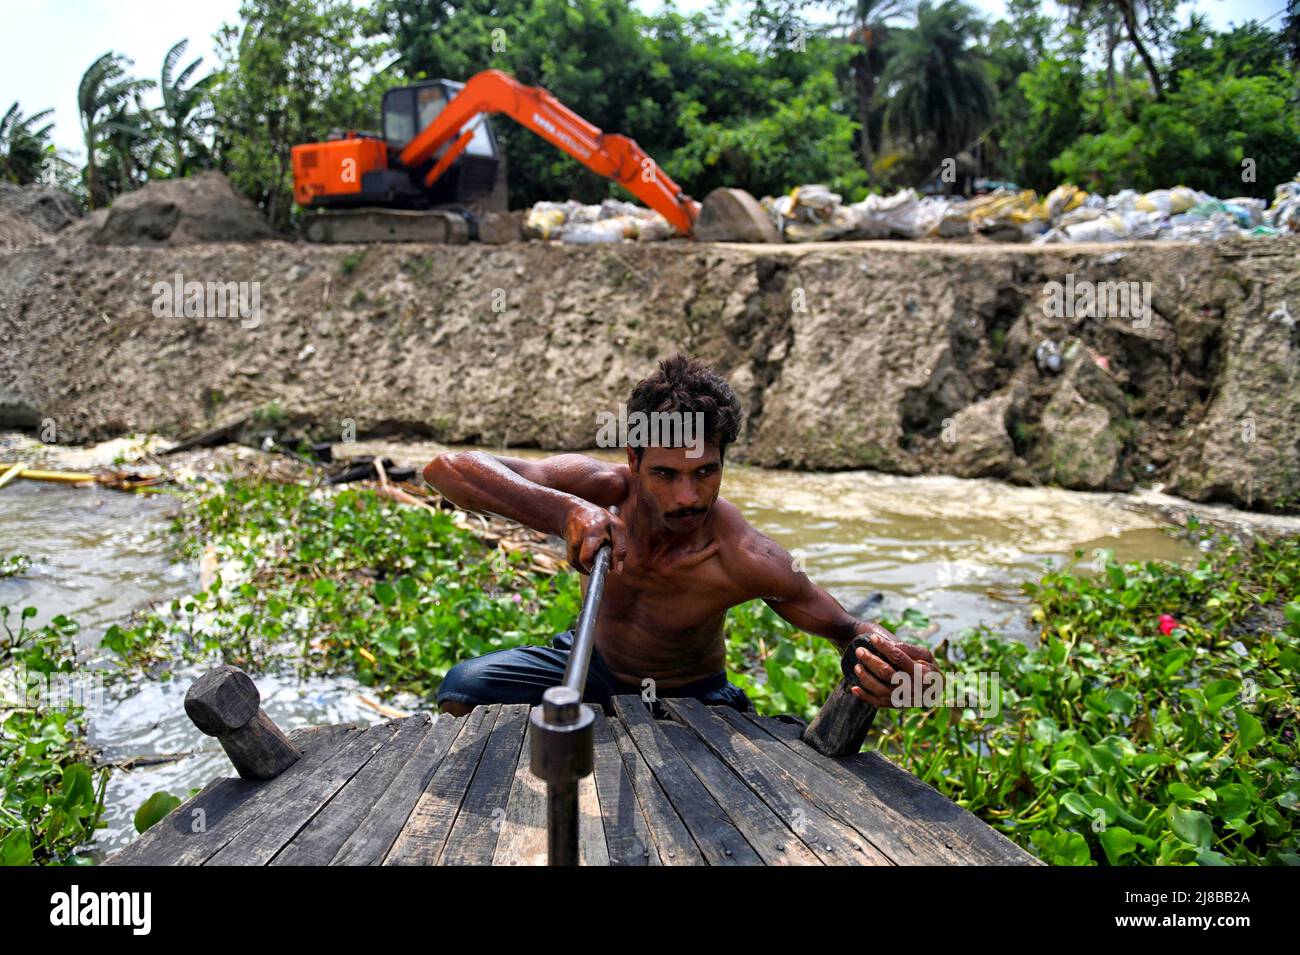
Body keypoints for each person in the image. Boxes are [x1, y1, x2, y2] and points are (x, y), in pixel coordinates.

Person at [423, 353, 941, 717]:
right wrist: (564, 512)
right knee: (463, 691)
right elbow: (447, 469)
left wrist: (899, 666)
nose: (687, 498)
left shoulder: (743, 555)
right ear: (634, 459)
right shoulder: (602, 489)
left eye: (705, 473)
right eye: (666, 474)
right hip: (589, 663)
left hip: (688, 697)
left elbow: (848, 629)